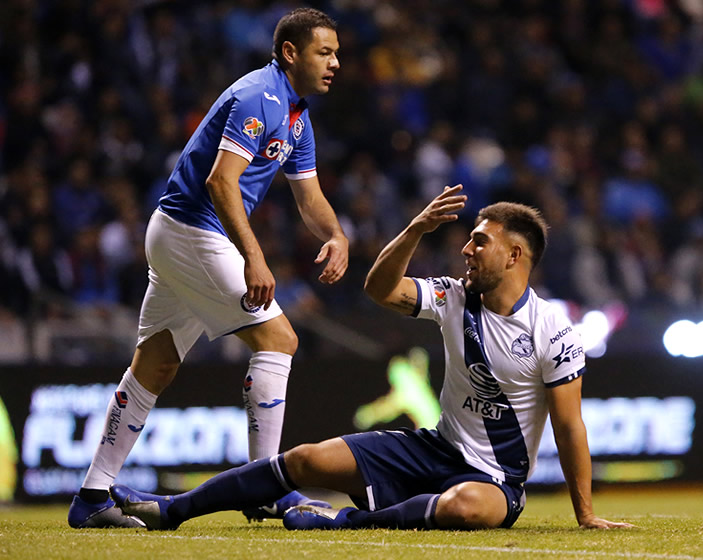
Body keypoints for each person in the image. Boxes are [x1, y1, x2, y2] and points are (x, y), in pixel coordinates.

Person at [108, 186, 633, 531]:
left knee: (467, 509)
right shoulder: (453, 297)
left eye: (479, 242)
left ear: (514, 256)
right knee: (306, 459)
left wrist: (585, 515)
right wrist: (414, 229)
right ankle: (170, 511)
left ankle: (337, 523)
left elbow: (569, 426)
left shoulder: (553, 331)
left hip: (495, 481)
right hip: (434, 450)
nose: (466, 250)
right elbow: (380, 289)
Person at [68, 8, 349, 529]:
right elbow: (221, 183)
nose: (335, 62)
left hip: (177, 233)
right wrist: (255, 257)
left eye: (336, 53)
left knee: (154, 366)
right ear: (291, 53)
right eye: (324, 52)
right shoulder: (257, 97)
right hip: (192, 231)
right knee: (280, 339)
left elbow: (308, 197)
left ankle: (91, 497)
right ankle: (265, 486)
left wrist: (334, 234)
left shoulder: (296, 115)